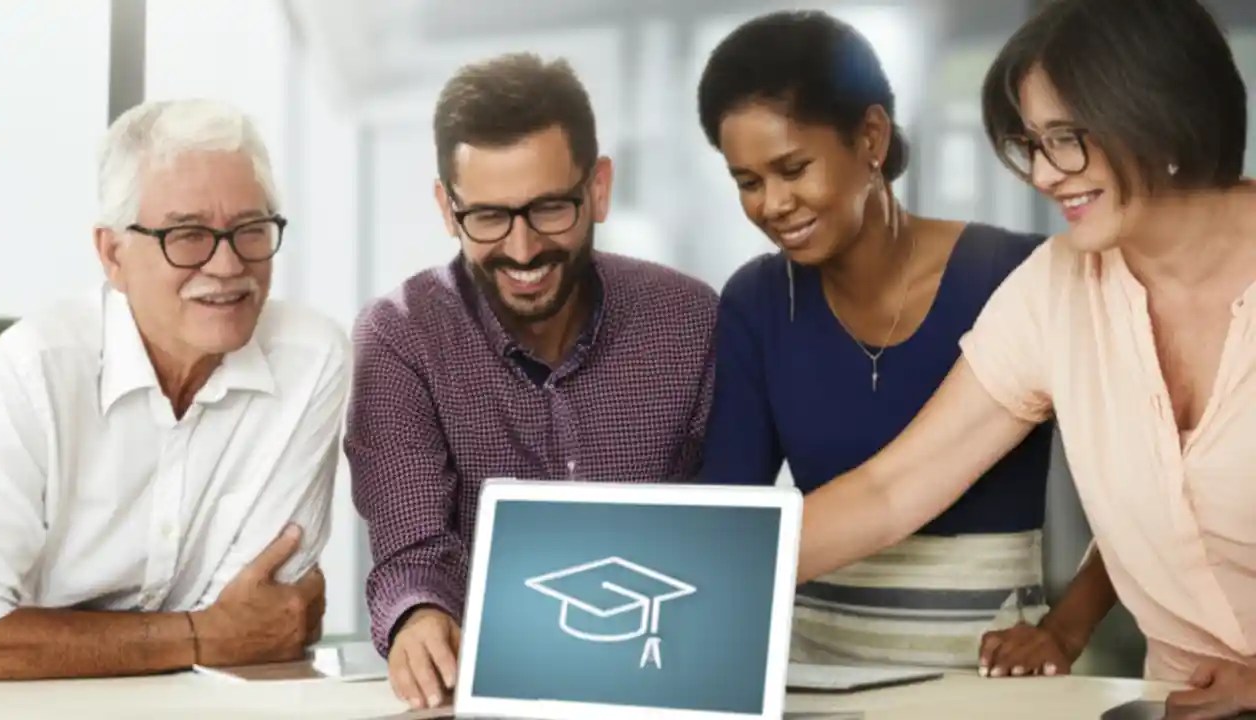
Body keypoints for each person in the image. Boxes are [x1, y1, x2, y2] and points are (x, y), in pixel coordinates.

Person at [792, 0, 1256, 716]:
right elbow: (893, 489)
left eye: (1065, 138)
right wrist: (721, 569)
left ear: (1164, 111)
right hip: (1172, 703)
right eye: (1032, 142)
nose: (1043, 174)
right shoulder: (1057, 284)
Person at [345, 53, 718, 710]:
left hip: (665, 682)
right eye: (487, 217)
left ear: (598, 187)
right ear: (446, 207)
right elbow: (412, 550)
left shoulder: (687, 322)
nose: (522, 250)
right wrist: (419, 617)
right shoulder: (402, 336)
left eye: (550, 209)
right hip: (485, 693)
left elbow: (726, 527)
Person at [695, 10, 1054, 670]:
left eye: (793, 167)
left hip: (996, 676)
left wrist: (1069, 625)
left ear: (870, 137)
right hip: (812, 673)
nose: (772, 204)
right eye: (748, 182)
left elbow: (1140, 491)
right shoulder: (756, 303)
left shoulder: (1019, 276)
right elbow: (732, 517)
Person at [0, 99, 346, 679]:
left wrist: (219, 635)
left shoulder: (310, 358)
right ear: (112, 253)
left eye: (250, 230)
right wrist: (201, 634)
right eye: (188, 234)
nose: (227, 266)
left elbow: (261, 619)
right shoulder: (33, 370)